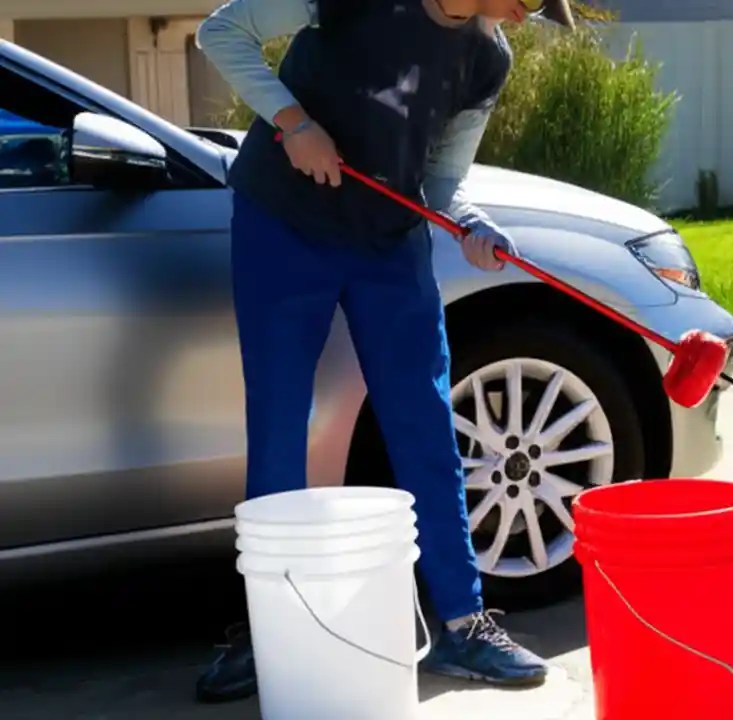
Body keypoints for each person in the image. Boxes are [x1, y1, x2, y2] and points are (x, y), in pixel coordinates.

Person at [192, 0, 575, 704]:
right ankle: (269, 631)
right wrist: (294, 123)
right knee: (279, 424)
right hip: (286, 224)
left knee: (425, 424)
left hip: (389, 243)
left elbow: (444, 180)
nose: (528, 15)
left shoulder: (489, 60)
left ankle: (463, 623)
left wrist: (470, 224)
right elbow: (220, 32)